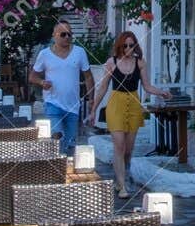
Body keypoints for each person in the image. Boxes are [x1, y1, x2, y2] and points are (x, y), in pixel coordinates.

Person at [91, 31, 170, 198]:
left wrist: (161, 92)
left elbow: (147, 86)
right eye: (125, 45)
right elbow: (103, 87)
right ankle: (122, 185)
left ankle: (121, 176)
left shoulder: (140, 62)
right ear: (120, 46)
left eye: (131, 45)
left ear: (135, 46)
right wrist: (94, 109)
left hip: (134, 103)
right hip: (116, 104)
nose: (128, 48)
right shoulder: (111, 63)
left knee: (128, 148)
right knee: (119, 145)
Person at [30, 21, 89, 155]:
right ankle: (56, 167)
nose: (67, 37)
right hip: (52, 103)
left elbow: (88, 76)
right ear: (54, 35)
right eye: (63, 34)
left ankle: (66, 170)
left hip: (73, 106)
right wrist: (42, 82)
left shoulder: (79, 52)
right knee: (57, 136)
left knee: (70, 144)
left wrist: (91, 99)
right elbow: (32, 77)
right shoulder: (44, 54)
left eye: (69, 34)